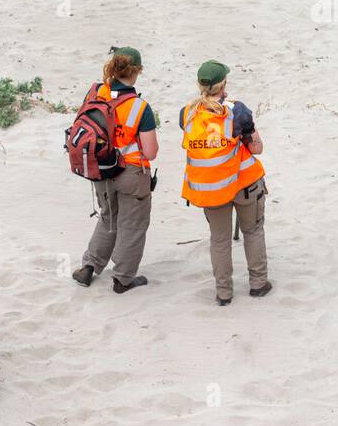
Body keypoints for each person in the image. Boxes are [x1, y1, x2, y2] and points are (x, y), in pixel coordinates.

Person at [180, 59, 271, 306]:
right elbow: (257, 148)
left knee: (219, 240)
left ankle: (223, 292)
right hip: (243, 184)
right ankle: (258, 283)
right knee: (252, 231)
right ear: (224, 84)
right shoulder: (237, 110)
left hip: (212, 188)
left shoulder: (187, 113)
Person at [72, 46, 159, 294]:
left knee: (108, 216)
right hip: (131, 173)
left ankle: (88, 267)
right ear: (137, 71)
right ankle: (123, 278)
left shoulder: (97, 94)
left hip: (100, 168)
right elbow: (151, 152)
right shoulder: (139, 107)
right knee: (132, 224)